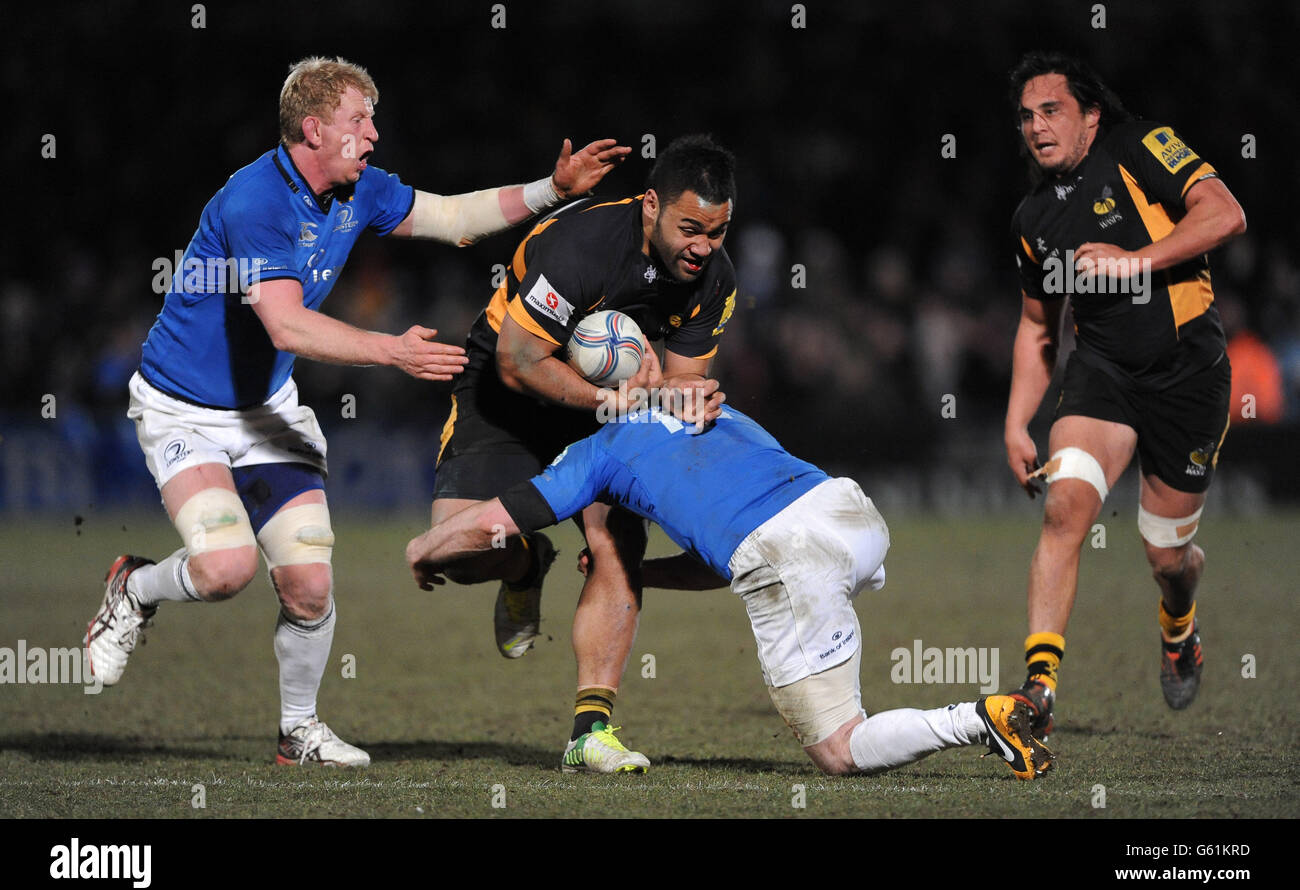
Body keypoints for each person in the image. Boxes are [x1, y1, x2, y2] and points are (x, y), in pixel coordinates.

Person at [83, 56, 629, 767]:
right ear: (313, 129)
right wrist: (393, 352)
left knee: (308, 584)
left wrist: (551, 189)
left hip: (267, 410)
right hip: (184, 410)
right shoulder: (255, 203)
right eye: (358, 120)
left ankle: (298, 733)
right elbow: (287, 327)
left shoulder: (358, 189)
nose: (374, 132)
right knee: (224, 570)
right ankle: (134, 587)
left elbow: (452, 217)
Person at [406, 403, 1054, 780]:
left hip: (789, 556)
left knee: (838, 750)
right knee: (794, 576)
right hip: (850, 514)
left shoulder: (595, 448)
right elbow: (731, 551)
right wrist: (650, 573)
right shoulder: (705, 402)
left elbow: (502, 518)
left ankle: (976, 720)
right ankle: (840, 630)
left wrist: (426, 544)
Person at [429, 135, 735, 771]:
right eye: (690, 229)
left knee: (617, 542)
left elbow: (681, 381)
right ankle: (523, 565)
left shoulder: (714, 280)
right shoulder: (583, 245)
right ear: (650, 206)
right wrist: (615, 404)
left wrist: (680, 397)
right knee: (458, 553)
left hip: (608, 410)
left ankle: (590, 731)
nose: (703, 247)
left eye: (717, 231)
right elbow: (518, 362)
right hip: (507, 393)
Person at [1003, 51, 1246, 735]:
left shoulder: (1138, 148)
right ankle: (1039, 690)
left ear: (1091, 114)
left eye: (1051, 110)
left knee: (1167, 558)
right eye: (1026, 116)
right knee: (1065, 510)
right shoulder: (1033, 219)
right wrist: (1017, 422)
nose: (1037, 126)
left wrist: (1134, 261)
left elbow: (1226, 213)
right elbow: (1035, 328)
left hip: (1189, 374)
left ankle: (1179, 626)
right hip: (1103, 375)